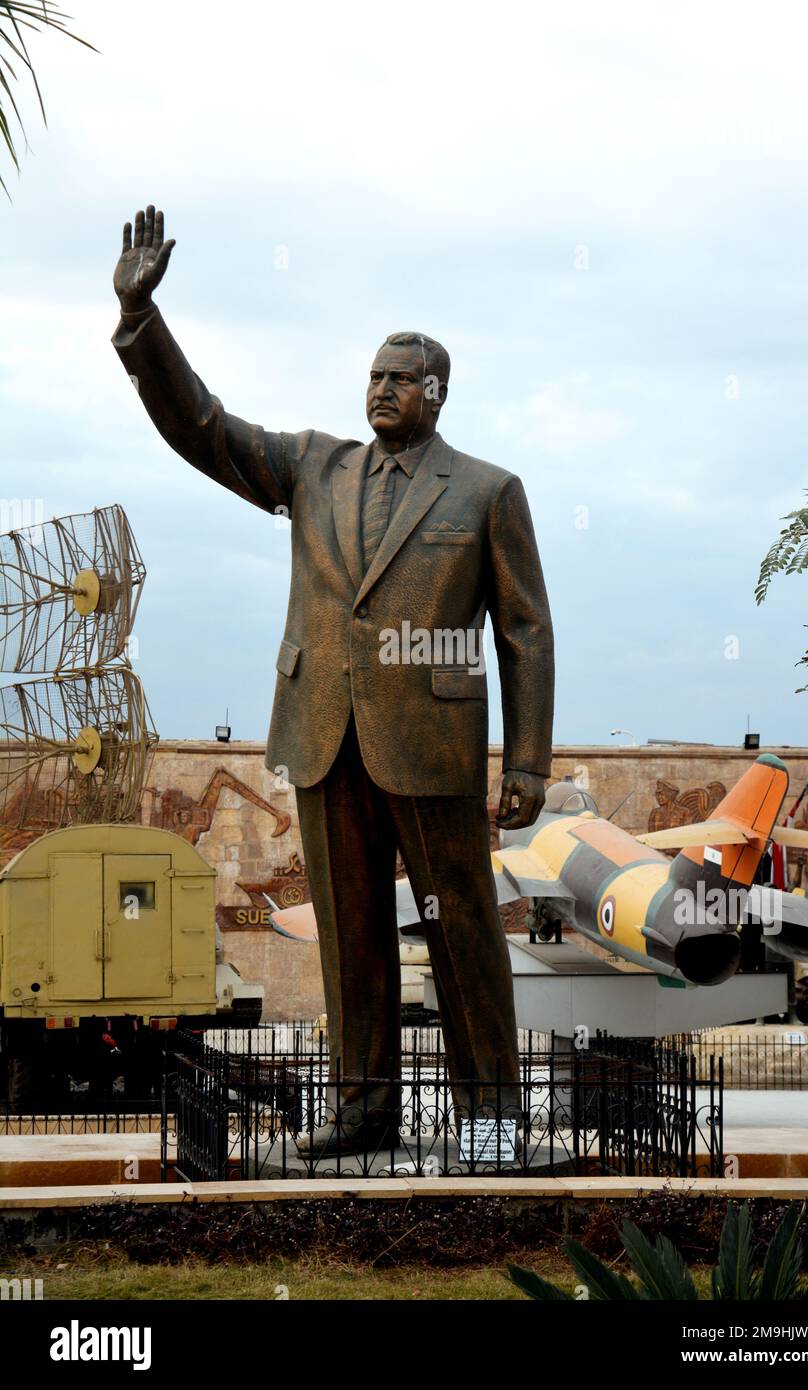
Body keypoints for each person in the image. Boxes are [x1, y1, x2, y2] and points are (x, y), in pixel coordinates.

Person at [111, 207, 555, 1155]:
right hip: (324, 732)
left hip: (431, 746)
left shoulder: (486, 491)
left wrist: (526, 763)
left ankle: (491, 1117)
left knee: (462, 934)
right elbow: (205, 429)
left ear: (438, 393)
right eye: (374, 376)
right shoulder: (314, 467)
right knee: (352, 935)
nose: (382, 389)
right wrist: (143, 323)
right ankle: (363, 1110)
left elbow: (524, 630)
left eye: (401, 379)